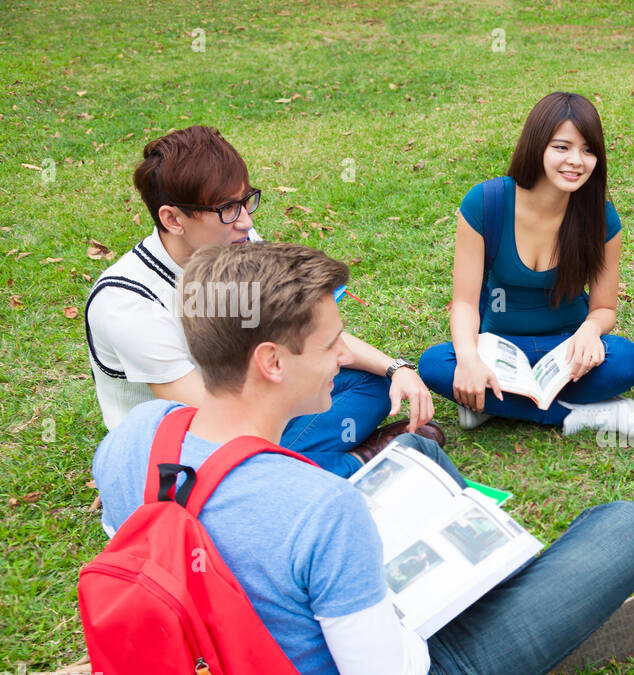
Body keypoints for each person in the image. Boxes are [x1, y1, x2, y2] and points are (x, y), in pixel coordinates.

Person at [59, 242, 634, 675]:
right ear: (272, 362)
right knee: (628, 527)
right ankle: (541, 629)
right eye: (330, 343)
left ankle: (524, 606)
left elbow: (156, 622)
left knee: (416, 457)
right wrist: (395, 603)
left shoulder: (134, 440)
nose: (344, 356)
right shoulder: (322, 508)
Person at [85, 125, 439, 477]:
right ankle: (358, 461)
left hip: (252, 394)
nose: (246, 221)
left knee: (372, 382)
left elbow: (308, 332)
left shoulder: (237, 243)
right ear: (173, 219)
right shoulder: (129, 303)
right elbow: (212, 420)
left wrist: (397, 368)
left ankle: (313, 463)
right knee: (248, 468)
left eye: (246, 201)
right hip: (191, 447)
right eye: (227, 208)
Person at [418, 92, 634, 438]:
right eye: (562, 147)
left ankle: (491, 404)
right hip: (499, 347)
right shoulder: (486, 203)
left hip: (567, 352)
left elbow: (604, 308)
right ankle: (580, 415)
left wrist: (589, 331)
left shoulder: (601, 218)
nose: (576, 161)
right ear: (537, 146)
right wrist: (467, 358)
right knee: (435, 364)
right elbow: (464, 302)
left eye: (588, 150)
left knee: (627, 359)